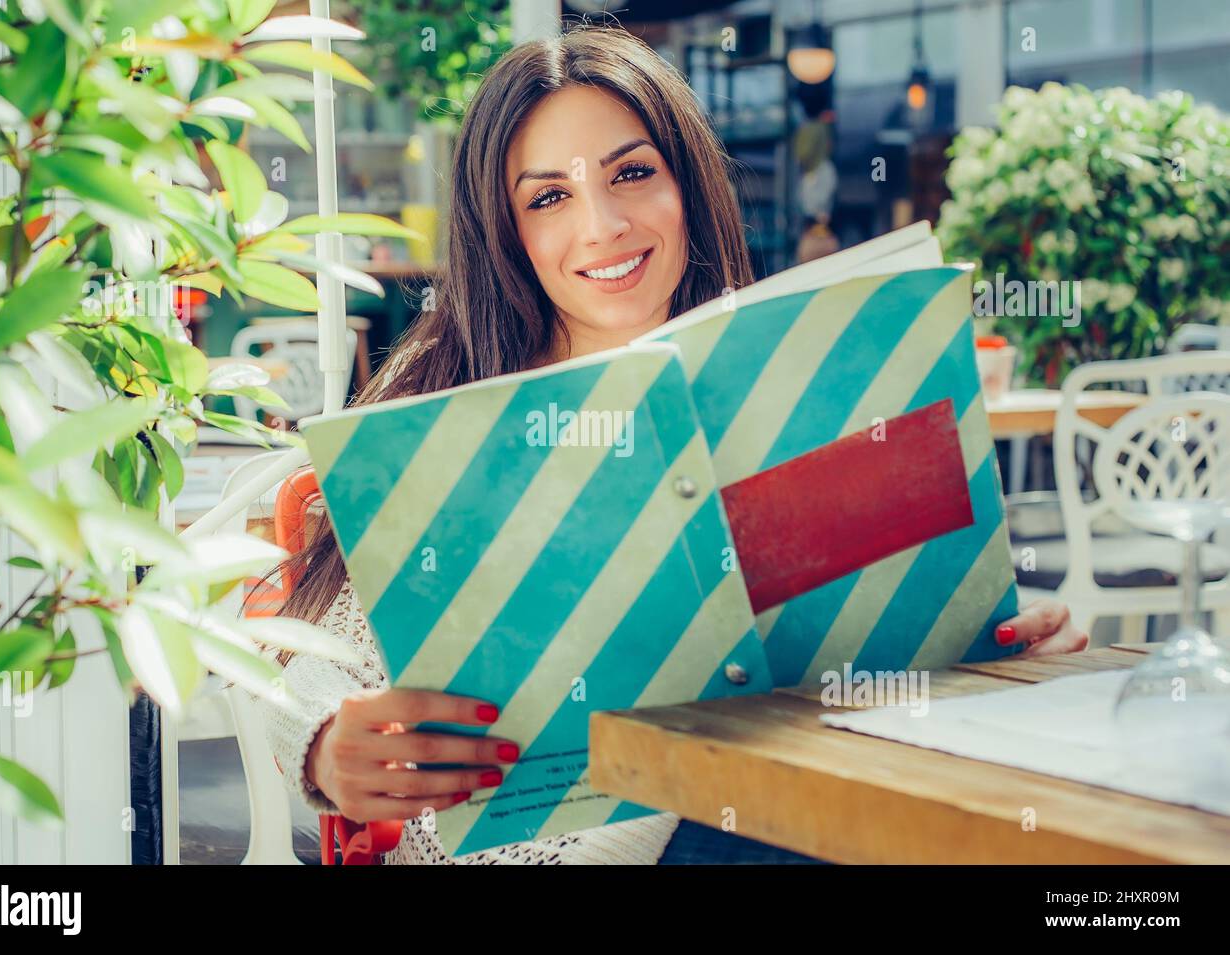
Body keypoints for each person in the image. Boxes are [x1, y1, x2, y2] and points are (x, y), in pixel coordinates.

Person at [253, 25, 1089, 866]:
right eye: (548, 197)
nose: (603, 225)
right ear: (504, 230)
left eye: (631, 173)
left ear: (685, 183)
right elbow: (299, 658)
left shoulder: (795, 370)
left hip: (778, 798)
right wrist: (325, 743)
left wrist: (993, 636)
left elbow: (886, 623)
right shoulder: (452, 403)